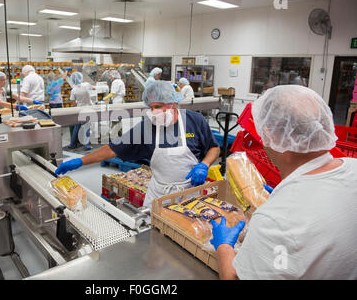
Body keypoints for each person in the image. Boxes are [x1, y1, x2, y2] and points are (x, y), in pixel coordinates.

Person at [211, 85, 357, 280]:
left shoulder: (274, 221)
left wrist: (223, 246)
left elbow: (233, 278)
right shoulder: (353, 166)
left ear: (269, 135)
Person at [56, 80, 221, 208]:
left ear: (173, 104)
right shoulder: (147, 127)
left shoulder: (195, 121)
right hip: (159, 195)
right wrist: (80, 162)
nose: (153, 111)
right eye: (151, 107)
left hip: (190, 194)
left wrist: (204, 164)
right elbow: (112, 150)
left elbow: (214, 147)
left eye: (158, 106)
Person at [68, 72, 96, 150]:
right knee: (87, 127)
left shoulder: (73, 90)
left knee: (77, 127)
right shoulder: (86, 85)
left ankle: (72, 144)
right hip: (88, 109)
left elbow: (73, 103)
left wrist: (79, 103)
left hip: (80, 109)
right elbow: (94, 88)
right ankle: (86, 145)